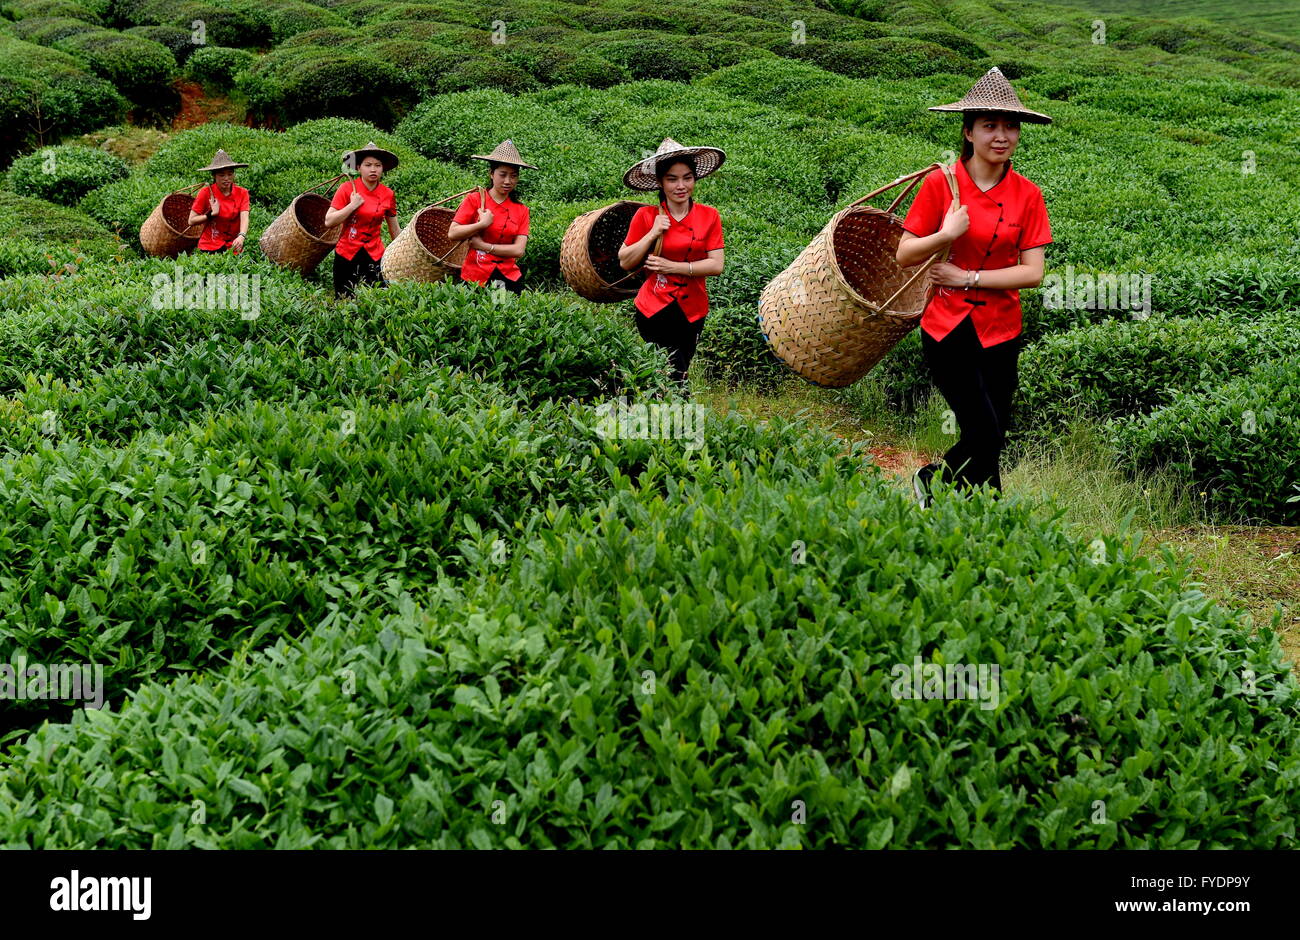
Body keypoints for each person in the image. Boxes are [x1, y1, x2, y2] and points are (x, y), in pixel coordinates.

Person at [896, 67, 1053, 508]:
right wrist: (945, 235)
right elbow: (905, 254)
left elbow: (1032, 273)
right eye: (989, 126)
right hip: (948, 327)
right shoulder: (940, 184)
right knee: (982, 429)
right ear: (968, 132)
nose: (1001, 136)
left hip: (1002, 328)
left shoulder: (1028, 194)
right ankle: (988, 514)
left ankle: (941, 487)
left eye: (1009, 126)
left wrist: (969, 277)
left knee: (995, 431)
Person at [617, 138, 726, 396]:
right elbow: (625, 261)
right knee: (660, 370)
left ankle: (671, 425)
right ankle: (659, 422)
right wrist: (652, 233)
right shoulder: (646, 216)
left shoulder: (709, 215)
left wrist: (672, 266)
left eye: (687, 178)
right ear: (660, 182)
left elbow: (716, 264)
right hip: (654, 307)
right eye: (672, 179)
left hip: (692, 309)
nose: (681, 186)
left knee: (680, 370)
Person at [447, 140, 536, 295]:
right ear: (491, 174)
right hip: (474, 275)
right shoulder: (474, 200)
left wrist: (484, 246)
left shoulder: (521, 210)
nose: (508, 181)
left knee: (501, 315)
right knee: (474, 316)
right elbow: (453, 233)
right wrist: (481, 224)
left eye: (513, 176)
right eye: (503, 175)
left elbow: (518, 250)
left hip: (507, 276)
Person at [325, 141, 400, 299]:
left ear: (383, 169)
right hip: (347, 252)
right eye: (368, 165)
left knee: (378, 298)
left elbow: (394, 229)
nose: (373, 169)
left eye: (378, 165)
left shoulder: (388, 194)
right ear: (358, 168)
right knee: (344, 299)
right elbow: (329, 221)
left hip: (374, 253)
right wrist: (352, 206)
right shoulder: (347, 188)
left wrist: (399, 254)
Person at [188, 150, 250, 254]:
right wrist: (211, 215)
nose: (227, 179)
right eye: (222, 175)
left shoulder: (242, 193)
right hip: (210, 244)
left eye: (230, 174)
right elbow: (191, 220)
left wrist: (241, 236)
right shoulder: (206, 192)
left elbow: (244, 216)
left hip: (233, 244)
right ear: (214, 176)